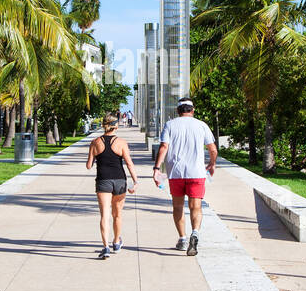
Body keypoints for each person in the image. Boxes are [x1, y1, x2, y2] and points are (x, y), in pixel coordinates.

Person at [153, 97, 217, 257]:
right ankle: (195, 233)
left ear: (178, 111)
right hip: (197, 173)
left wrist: (156, 168)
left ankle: (182, 239)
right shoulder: (202, 125)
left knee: (178, 207)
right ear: (192, 110)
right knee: (196, 207)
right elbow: (213, 149)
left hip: (176, 173)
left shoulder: (170, 125)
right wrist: (212, 163)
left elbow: (163, 147)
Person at [86, 115, 139, 259]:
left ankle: (106, 247)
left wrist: (96, 156)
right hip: (120, 181)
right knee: (117, 214)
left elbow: (89, 165)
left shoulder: (95, 142)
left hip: (103, 181)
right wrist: (135, 181)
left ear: (104, 125)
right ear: (116, 126)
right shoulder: (121, 142)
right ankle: (116, 241)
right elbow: (129, 163)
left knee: (104, 215)